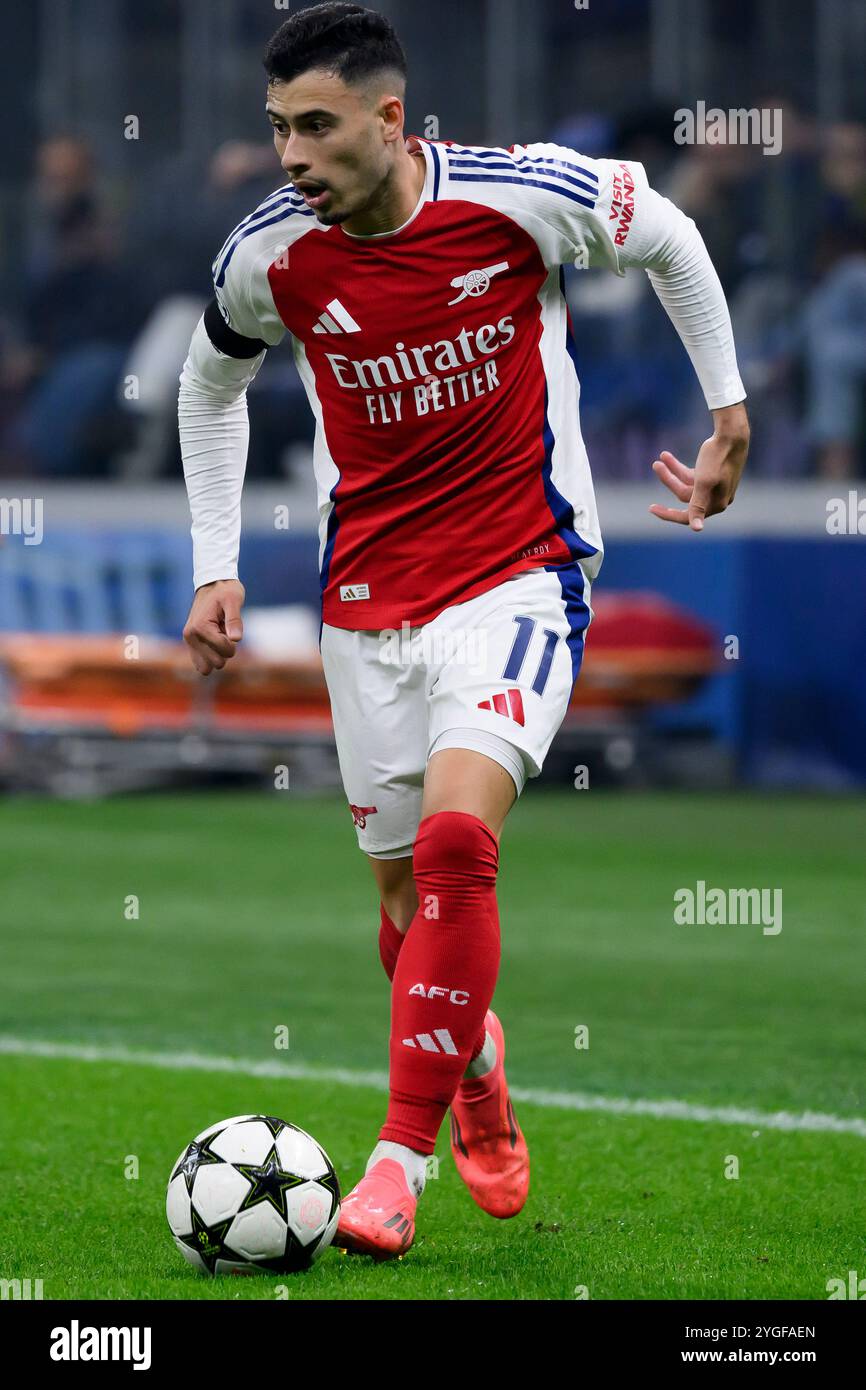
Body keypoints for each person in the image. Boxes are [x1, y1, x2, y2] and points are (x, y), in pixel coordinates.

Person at [179, 2, 749, 1259]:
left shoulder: (518, 196)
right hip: (365, 603)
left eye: (315, 128)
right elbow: (209, 380)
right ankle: (473, 1071)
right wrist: (214, 563)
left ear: (390, 119)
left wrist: (728, 411)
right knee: (399, 901)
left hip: (520, 575)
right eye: (276, 130)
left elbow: (671, 238)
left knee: (452, 843)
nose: (289, 156)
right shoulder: (268, 255)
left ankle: (397, 1159)